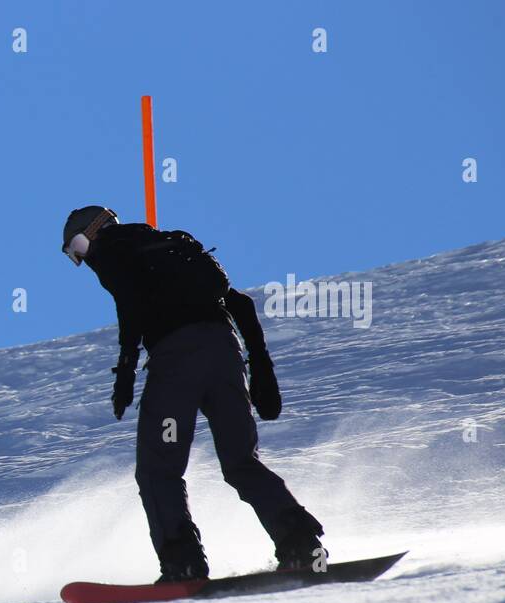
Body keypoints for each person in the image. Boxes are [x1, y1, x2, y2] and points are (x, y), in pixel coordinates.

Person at [62, 205, 325, 582]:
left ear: (94, 232)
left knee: (159, 470)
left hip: (177, 365)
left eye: (77, 247)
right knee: (241, 462)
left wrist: (125, 371)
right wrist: (262, 369)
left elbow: (131, 307)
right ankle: (302, 545)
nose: (81, 258)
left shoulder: (114, 252)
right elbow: (240, 303)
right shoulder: (173, 247)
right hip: (224, 356)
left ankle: (182, 564)